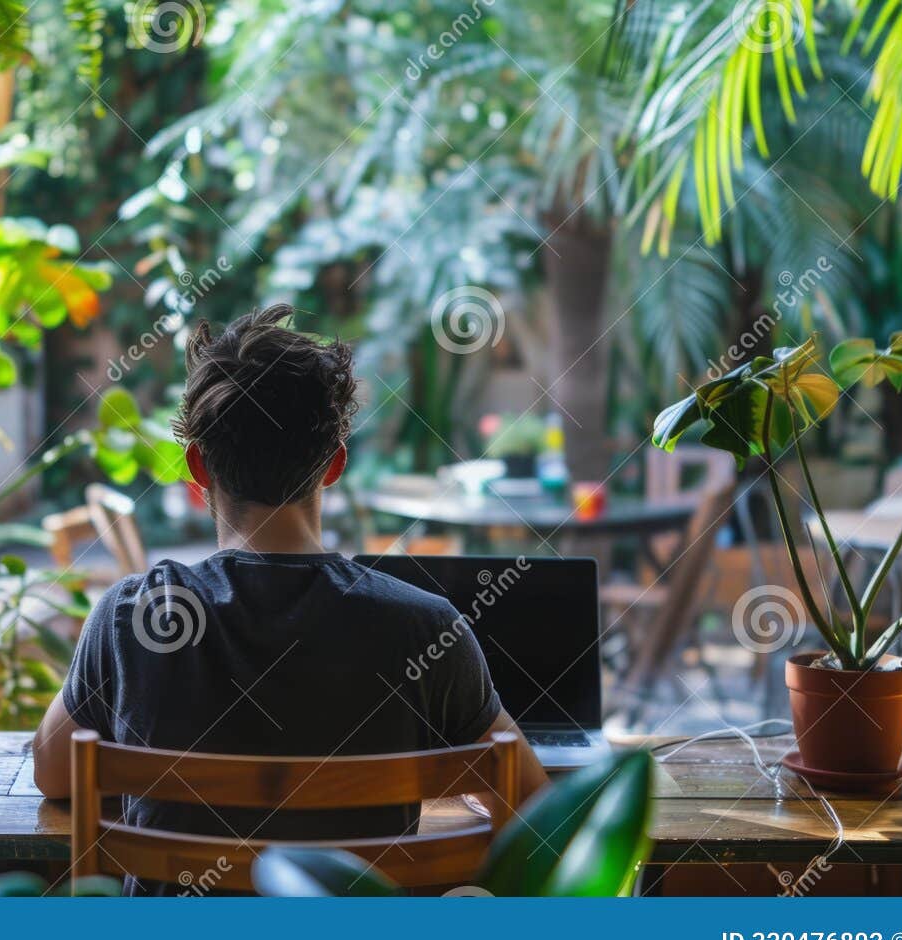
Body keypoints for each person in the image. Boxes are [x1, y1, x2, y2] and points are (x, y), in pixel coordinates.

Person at [32, 304, 548, 893]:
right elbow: (531, 806)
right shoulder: (427, 629)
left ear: (197, 466)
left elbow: (53, 775)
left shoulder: (133, 618)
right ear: (334, 465)